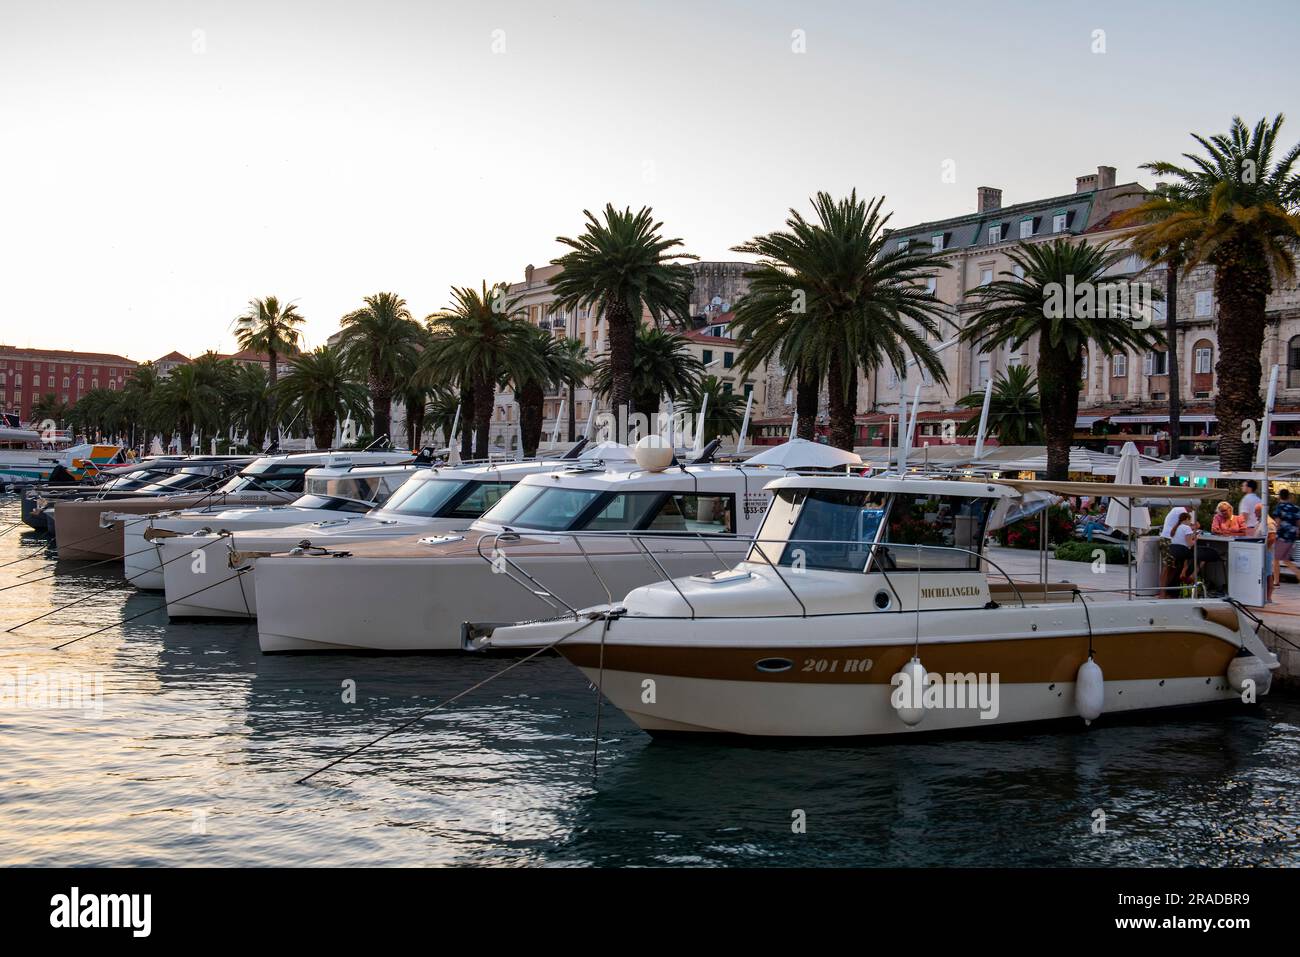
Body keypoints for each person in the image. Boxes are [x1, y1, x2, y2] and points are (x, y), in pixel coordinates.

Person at [1273, 488, 1300, 588]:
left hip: (1282, 537)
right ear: (1289, 496)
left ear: (1279, 496)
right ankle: (1298, 574)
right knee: (1285, 559)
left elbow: (1278, 523)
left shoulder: (1279, 508)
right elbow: (1298, 522)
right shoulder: (1295, 508)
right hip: (1292, 536)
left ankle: (1276, 581)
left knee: (1275, 559)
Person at [1168, 511, 1198, 594]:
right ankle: (1187, 574)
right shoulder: (1186, 527)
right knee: (1197, 557)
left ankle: (1173, 590)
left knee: (1176, 569)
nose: (1190, 523)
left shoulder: (1176, 527)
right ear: (1187, 519)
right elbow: (1189, 544)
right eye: (1190, 521)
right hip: (1182, 551)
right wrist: (1196, 539)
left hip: (1173, 550)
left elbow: (1182, 538)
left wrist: (1193, 534)